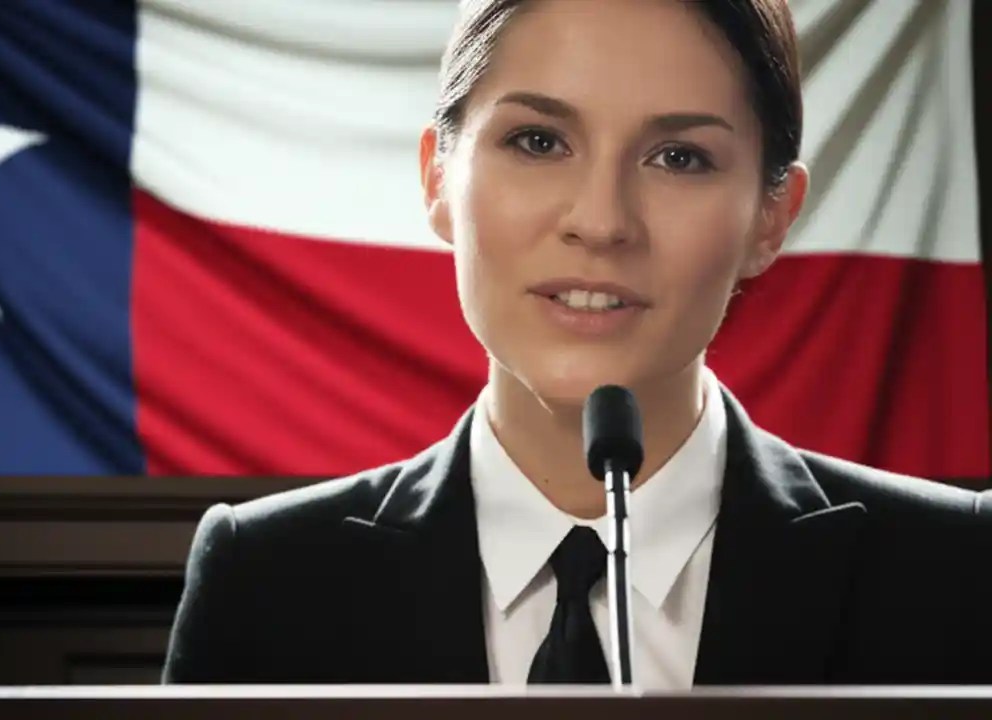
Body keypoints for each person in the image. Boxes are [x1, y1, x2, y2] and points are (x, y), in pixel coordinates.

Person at [162, 0, 991, 687]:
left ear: (772, 218)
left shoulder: (956, 570)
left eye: (679, 157)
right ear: (437, 178)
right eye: (538, 141)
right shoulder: (263, 580)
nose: (601, 222)